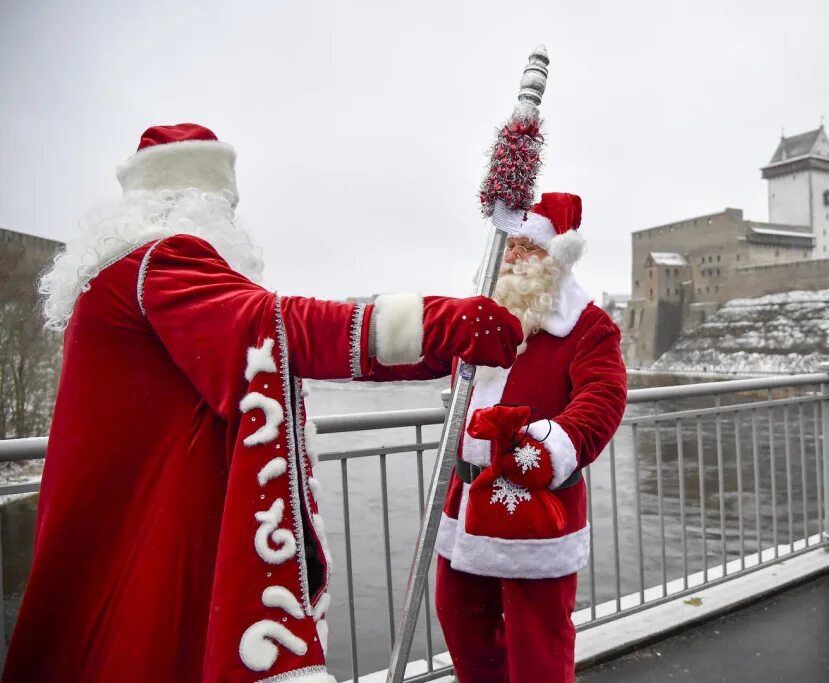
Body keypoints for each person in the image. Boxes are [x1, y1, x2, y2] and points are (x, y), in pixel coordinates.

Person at [2, 123, 524, 683]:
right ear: (203, 202)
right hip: (155, 528)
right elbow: (270, 324)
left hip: (118, 514)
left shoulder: (106, 280)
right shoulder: (162, 259)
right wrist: (440, 324)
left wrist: (436, 351)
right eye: (224, 206)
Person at [364, 193, 628, 682]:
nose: (514, 256)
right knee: (463, 623)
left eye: (529, 247)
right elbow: (421, 351)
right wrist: (352, 349)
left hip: (534, 503)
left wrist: (549, 446)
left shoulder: (588, 326)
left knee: (537, 642)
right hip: (465, 500)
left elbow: (603, 397)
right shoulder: (484, 319)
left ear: (555, 257)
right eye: (511, 245)